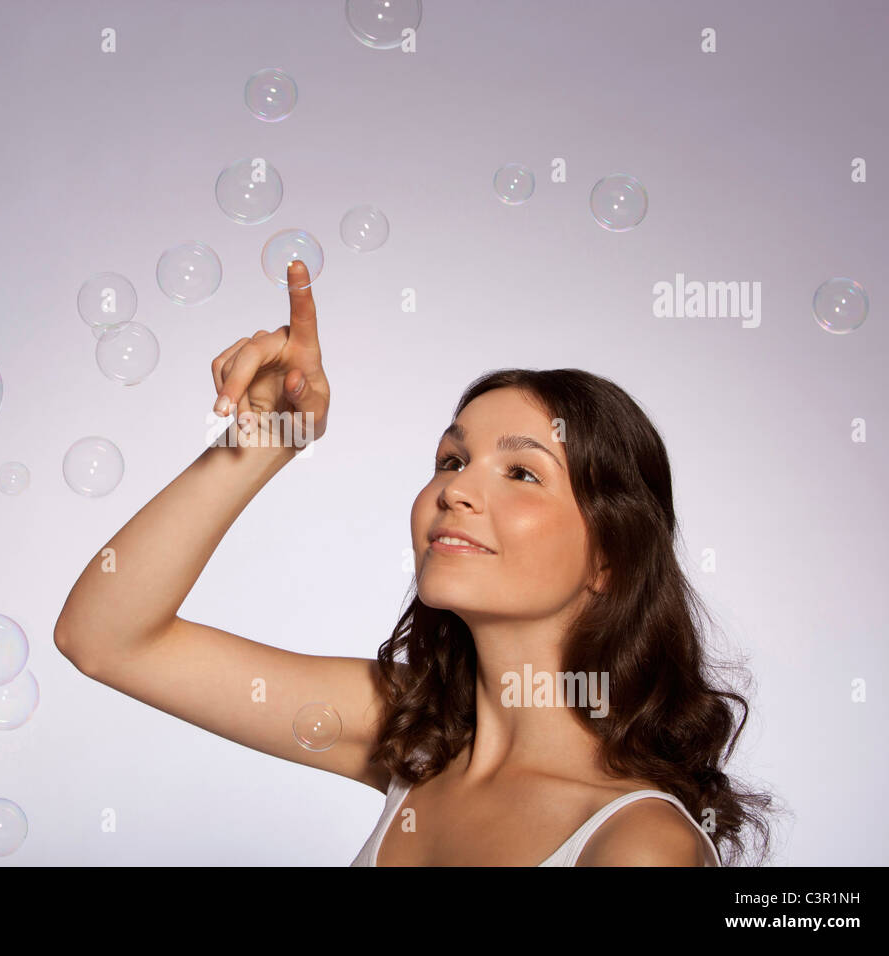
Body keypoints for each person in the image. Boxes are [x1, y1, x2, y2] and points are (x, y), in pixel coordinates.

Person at [53, 260, 773, 865]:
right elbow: (107, 639)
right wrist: (266, 437)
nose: (456, 488)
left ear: (608, 558)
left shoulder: (637, 844)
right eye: (452, 460)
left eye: (521, 473)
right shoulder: (413, 730)